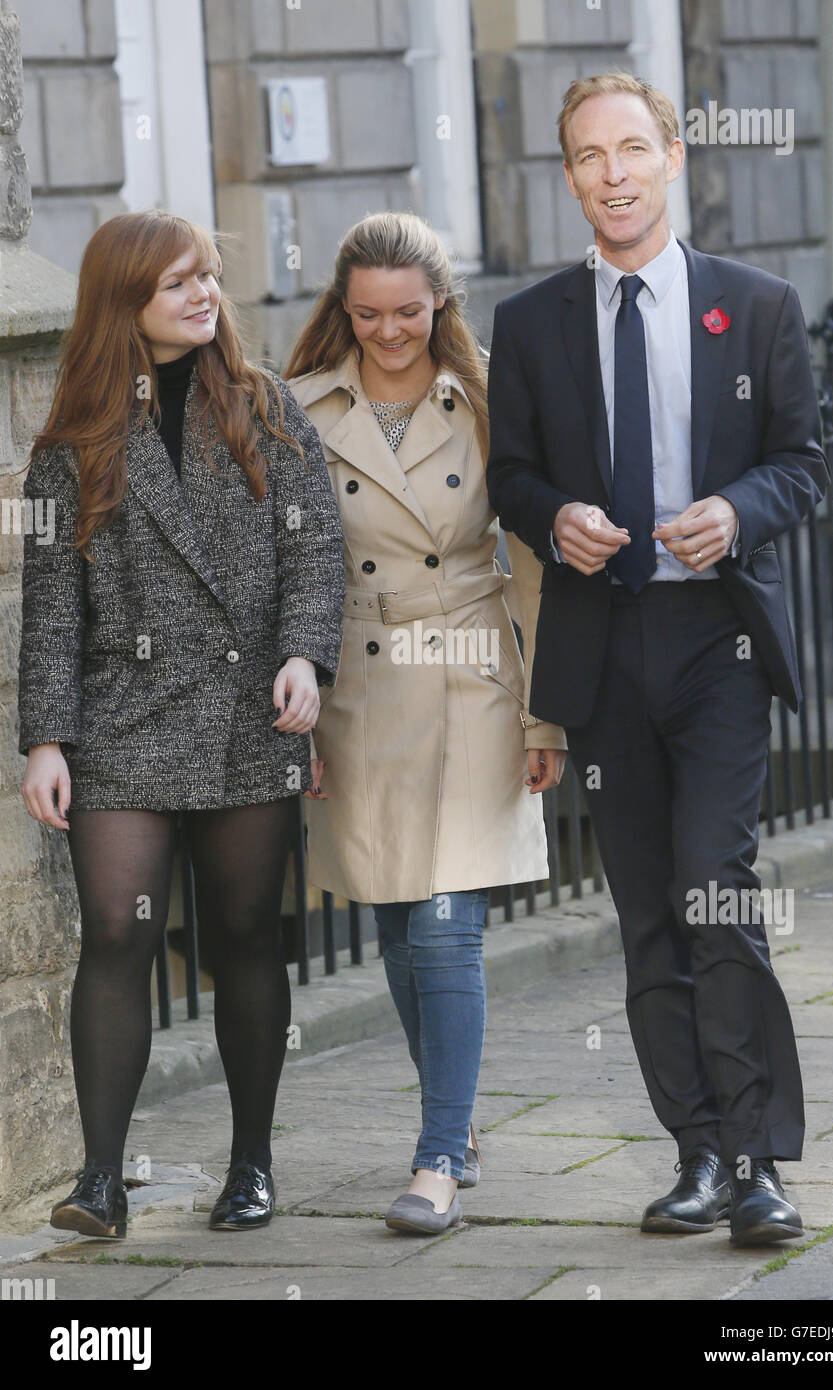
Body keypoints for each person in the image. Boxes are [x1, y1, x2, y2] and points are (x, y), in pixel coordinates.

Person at [486, 74, 828, 1248]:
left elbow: (803, 463)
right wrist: (553, 518)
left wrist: (734, 510)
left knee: (715, 889)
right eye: (589, 156)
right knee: (646, 913)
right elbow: (510, 478)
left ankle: (760, 1161)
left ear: (673, 158)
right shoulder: (528, 323)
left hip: (718, 642)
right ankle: (694, 1154)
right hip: (602, 643)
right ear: (570, 175)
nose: (614, 174)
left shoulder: (759, 304)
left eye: (634, 149)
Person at [17, 211, 345, 1239]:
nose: (204, 295)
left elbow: (317, 553)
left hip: (251, 714)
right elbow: (51, 599)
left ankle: (251, 1163)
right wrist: (45, 737)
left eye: (207, 276)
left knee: (245, 935)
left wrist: (304, 657)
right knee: (118, 931)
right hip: (124, 721)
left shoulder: (266, 404)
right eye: (176, 285)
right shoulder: (75, 436)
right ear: (126, 304)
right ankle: (101, 1180)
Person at [285, 211, 566, 1235]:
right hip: (358, 683)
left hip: (468, 673)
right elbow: (290, 571)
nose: (390, 329)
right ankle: (459, 1121)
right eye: (367, 313)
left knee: (447, 924)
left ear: (439, 300)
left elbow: (530, 565)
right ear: (342, 308)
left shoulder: (492, 398)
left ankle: (439, 1154)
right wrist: (302, 711)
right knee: (398, 922)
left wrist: (546, 717)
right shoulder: (299, 407)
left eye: (408, 310)